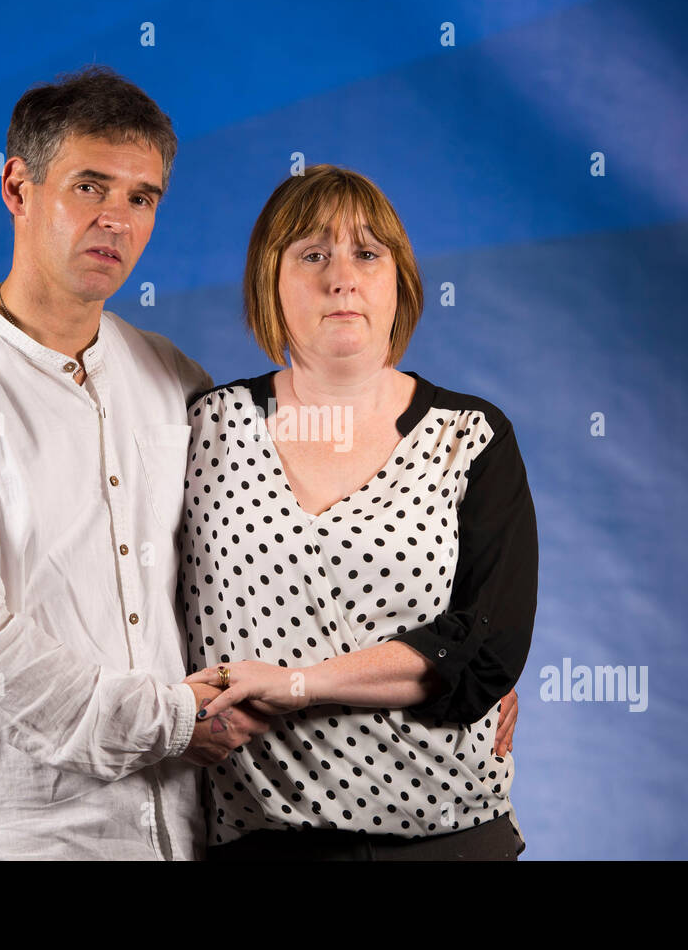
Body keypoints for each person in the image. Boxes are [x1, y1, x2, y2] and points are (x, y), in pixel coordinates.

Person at [0, 66, 273, 860]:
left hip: (177, 834)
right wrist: (172, 721)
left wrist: (443, 676)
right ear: (18, 187)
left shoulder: (174, 380)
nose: (116, 220)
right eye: (90, 186)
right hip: (2, 838)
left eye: (142, 198)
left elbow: (255, 562)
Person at [178, 165, 539, 860]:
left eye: (366, 254)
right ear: (267, 282)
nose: (341, 277)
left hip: (450, 839)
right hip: (261, 842)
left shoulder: (471, 436)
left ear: (398, 280)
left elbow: (487, 648)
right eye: (312, 254)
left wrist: (294, 686)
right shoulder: (206, 428)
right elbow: (103, 566)